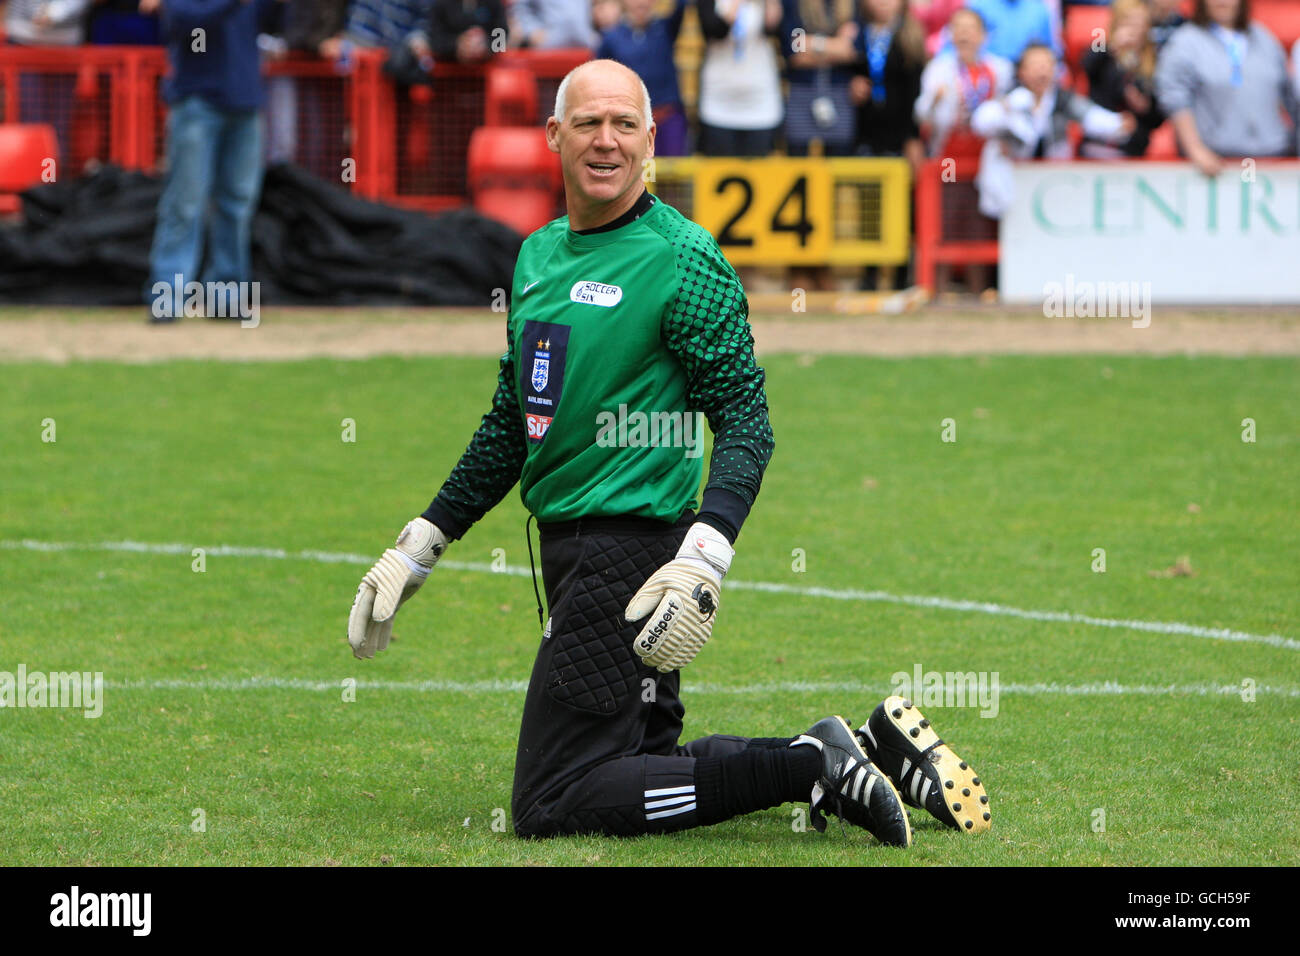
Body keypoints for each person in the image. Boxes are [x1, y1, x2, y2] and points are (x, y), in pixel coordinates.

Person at [346, 57, 991, 843]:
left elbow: (747, 422)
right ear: (554, 135)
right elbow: (516, 422)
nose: (606, 141)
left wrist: (703, 559)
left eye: (625, 125)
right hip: (567, 554)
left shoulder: (684, 259)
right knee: (640, 766)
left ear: (652, 139)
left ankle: (812, 764)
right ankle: (869, 751)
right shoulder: (537, 257)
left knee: (552, 800)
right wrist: (423, 541)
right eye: (588, 123)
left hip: (632, 557)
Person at [146, 0, 286, 323]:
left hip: (246, 102)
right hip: (196, 101)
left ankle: (228, 298)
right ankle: (167, 295)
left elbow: (274, 25)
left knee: (237, 204)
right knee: (185, 202)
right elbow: (186, 22)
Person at [971, 43, 1134, 217]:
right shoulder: (1012, 98)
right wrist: (1007, 107)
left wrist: (1118, 124)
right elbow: (980, 123)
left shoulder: (1062, 99)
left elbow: (1091, 116)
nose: (1042, 71)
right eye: (1035, 65)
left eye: (1047, 65)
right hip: (1013, 183)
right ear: (1022, 72)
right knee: (994, 152)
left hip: (1051, 184)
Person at [1154, 0, 1298, 177]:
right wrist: (1195, 149)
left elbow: (1289, 97)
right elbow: (1175, 99)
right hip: (1217, 164)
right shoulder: (1184, 42)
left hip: (1273, 159)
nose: (1222, 2)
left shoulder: (1264, 39)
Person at [915, 6, 1013, 157]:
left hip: (988, 152)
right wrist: (934, 99)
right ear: (950, 35)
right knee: (950, 179)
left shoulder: (1001, 69)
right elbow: (920, 114)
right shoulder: (938, 69)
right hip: (948, 149)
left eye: (970, 28)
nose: (964, 33)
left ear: (983, 35)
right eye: (958, 28)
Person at [596, 0, 690, 155]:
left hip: (667, 115)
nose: (641, 3)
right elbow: (600, 76)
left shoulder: (665, 28)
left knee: (674, 172)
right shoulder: (612, 37)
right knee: (646, 172)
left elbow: (682, 6)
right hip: (632, 120)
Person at [695, 0, 785, 156]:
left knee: (760, 171)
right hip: (718, 104)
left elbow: (776, 28)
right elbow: (714, 30)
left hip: (760, 103)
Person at [1079, 0, 1164, 157]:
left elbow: (1159, 115)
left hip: (1134, 147)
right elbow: (1087, 64)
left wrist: (1145, 107)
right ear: (1117, 22)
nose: (1134, 29)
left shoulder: (1154, 57)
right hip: (1098, 143)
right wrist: (1112, 47)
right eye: (1129, 21)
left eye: (1140, 22)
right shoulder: (1101, 43)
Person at [966, 0, 1061, 62]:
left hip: (1027, 76)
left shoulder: (1040, 9)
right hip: (989, 73)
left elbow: (1050, 50)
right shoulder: (979, 5)